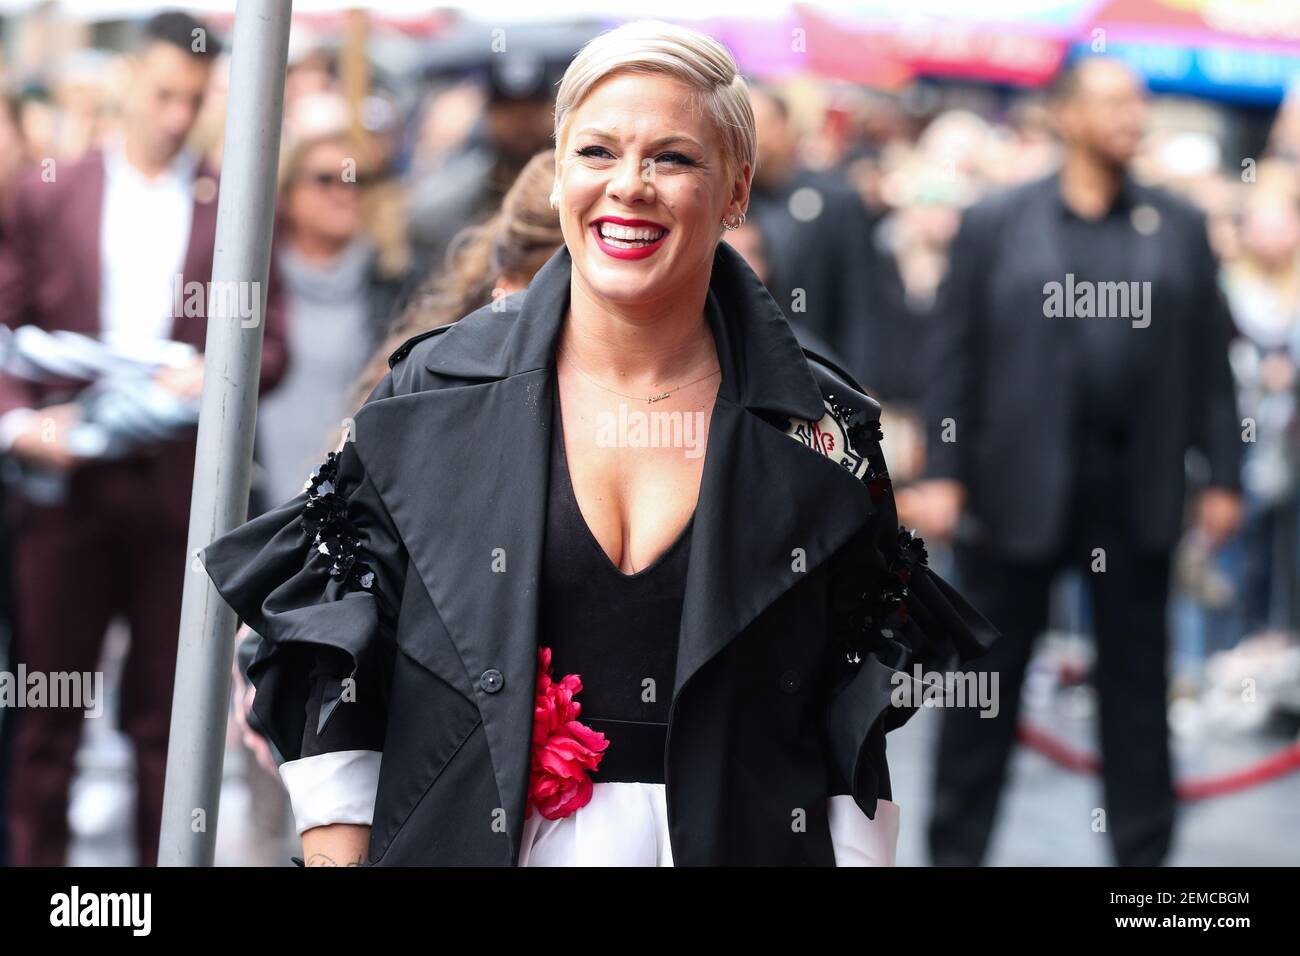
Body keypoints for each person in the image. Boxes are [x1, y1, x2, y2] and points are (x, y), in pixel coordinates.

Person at [201, 19, 998, 867]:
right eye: (596, 153)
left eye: (673, 158)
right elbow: (340, 662)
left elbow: (850, 716)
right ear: (555, 177)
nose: (629, 186)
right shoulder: (431, 397)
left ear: (736, 189)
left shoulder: (826, 437)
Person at [909, 56, 1244, 866]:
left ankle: (1143, 867)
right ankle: (954, 853)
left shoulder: (1179, 223)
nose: (1134, 116)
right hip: (1012, 488)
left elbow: (1210, 361)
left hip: (1137, 493)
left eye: (1140, 103)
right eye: (1114, 102)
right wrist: (944, 472)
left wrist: (1225, 475)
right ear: (1065, 116)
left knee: (1135, 696)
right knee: (980, 696)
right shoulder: (996, 222)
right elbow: (954, 356)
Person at [0, 11, 287, 866]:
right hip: (67, 489)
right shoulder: (50, 191)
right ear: (128, 84)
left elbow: (270, 342)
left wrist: (218, 374)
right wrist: (23, 423)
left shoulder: (228, 196)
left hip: (177, 491)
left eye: (193, 100)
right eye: (163, 94)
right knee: (48, 718)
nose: (175, 115)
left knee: (172, 721)